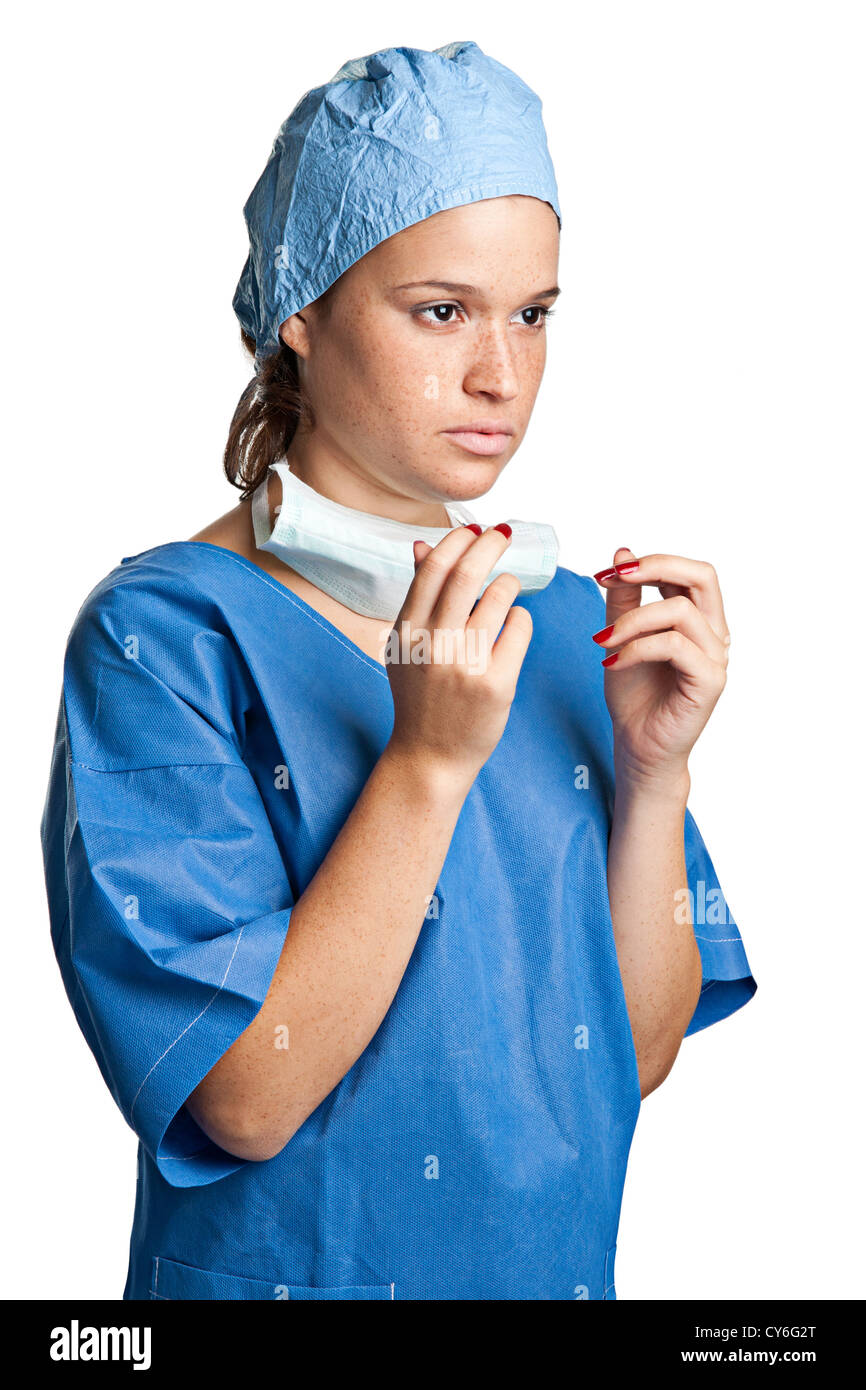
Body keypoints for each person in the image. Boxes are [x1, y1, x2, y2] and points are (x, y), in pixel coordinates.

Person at [41, 40, 756, 1302]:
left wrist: (654, 778)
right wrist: (426, 761)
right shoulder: (167, 636)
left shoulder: (569, 624)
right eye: (442, 311)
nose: (501, 374)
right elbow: (242, 1097)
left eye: (530, 314)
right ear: (301, 310)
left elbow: (628, 1059)